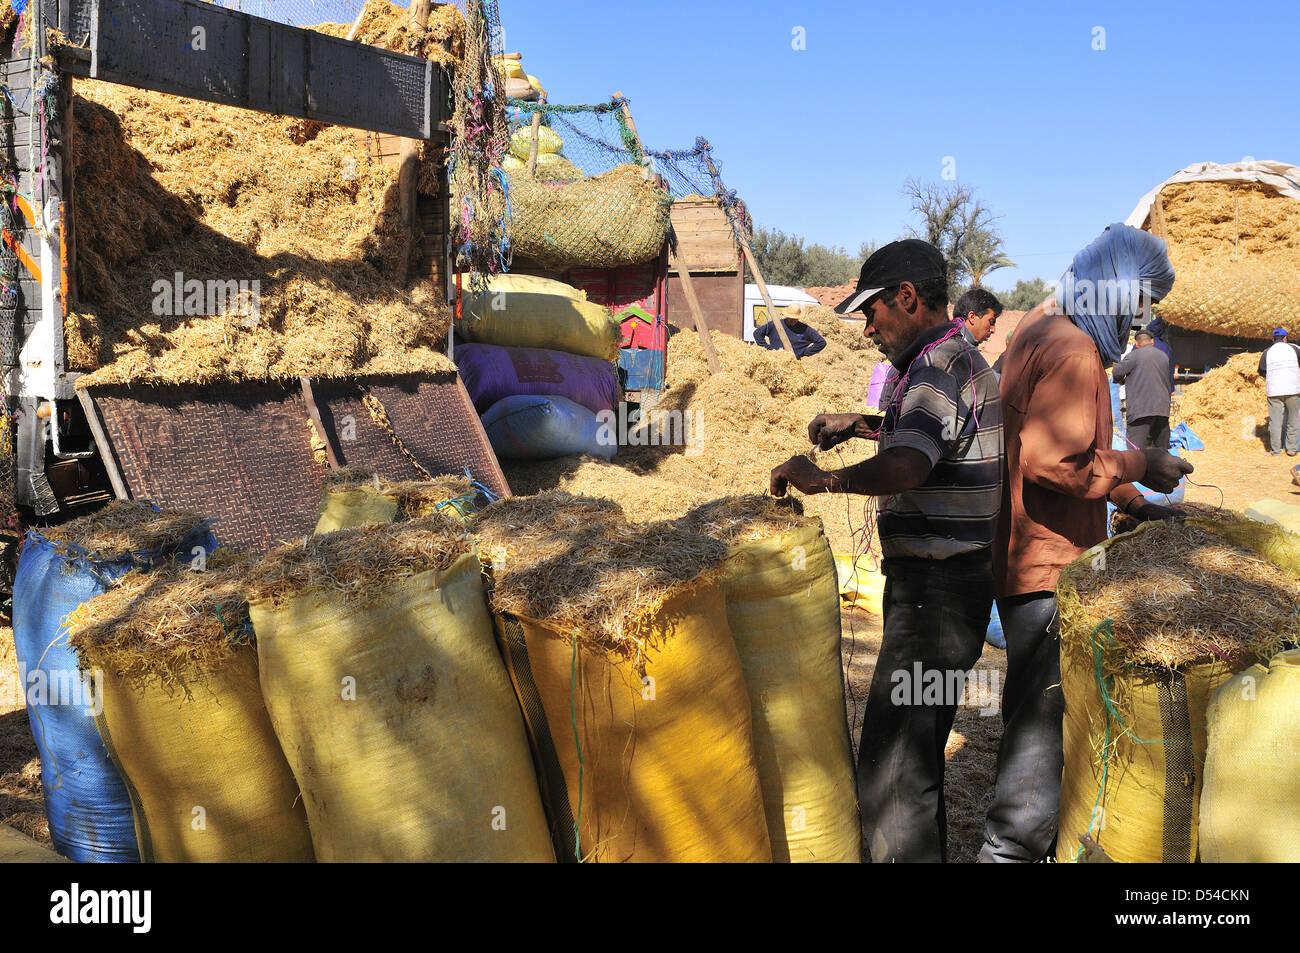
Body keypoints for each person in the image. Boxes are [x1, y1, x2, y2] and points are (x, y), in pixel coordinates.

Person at [769, 239, 1003, 863]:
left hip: (938, 592)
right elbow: (938, 432)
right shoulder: (955, 359)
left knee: (894, 764)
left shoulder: (933, 367)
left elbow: (910, 464)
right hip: (951, 586)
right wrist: (863, 422)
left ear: (907, 298)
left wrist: (828, 481)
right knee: (911, 755)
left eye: (873, 310)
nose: (867, 326)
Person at [985, 223, 1193, 863]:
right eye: (1139, 304)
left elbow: (1069, 459)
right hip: (1047, 564)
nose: (1139, 323)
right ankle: (1010, 849)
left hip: (1022, 553)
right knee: (1041, 724)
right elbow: (1053, 462)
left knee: (1031, 710)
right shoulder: (1075, 351)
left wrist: (1133, 505)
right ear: (1118, 289)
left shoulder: (1038, 329)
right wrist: (1141, 466)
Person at [1111, 329, 1174, 448]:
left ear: (1136, 343)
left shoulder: (1134, 356)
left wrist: (1121, 380)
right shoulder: (1163, 356)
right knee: (1161, 452)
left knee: (1135, 453)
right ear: (1152, 342)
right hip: (1162, 410)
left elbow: (1117, 372)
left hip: (1140, 410)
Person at [1259, 328, 1300, 456]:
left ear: (1273, 339)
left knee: (1275, 422)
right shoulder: (1295, 349)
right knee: (1293, 419)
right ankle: (1292, 449)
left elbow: (1261, 371)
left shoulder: (1267, 352)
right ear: (1285, 338)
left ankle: (1276, 451)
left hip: (1274, 391)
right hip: (1293, 389)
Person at [753, 304, 826, 359]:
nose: (793, 320)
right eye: (791, 318)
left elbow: (821, 342)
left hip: (792, 363)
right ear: (787, 316)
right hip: (774, 360)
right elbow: (757, 333)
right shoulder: (776, 324)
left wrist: (804, 353)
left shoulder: (804, 329)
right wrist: (767, 348)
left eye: (795, 318)